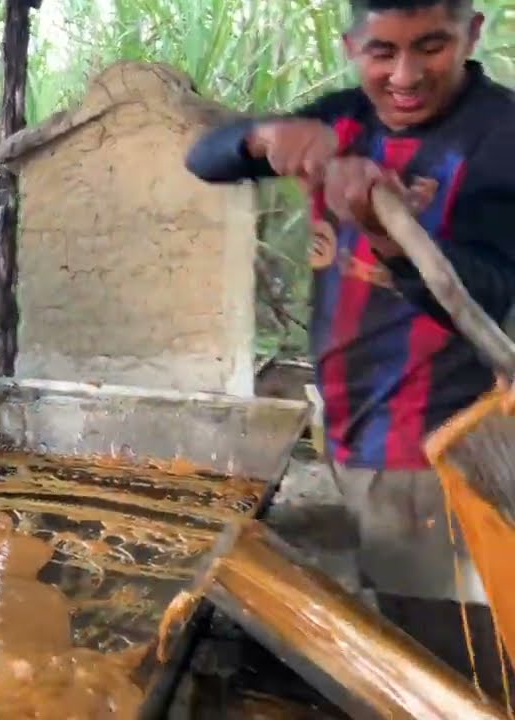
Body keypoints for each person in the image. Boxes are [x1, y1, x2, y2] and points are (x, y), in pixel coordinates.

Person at [186, 0, 514, 692]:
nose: (404, 75)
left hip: (437, 449)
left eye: (431, 46)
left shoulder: (500, 135)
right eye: (381, 52)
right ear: (351, 45)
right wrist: (264, 137)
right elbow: (205, 158)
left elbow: (488, 293)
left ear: (472, 33)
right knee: (396, 612)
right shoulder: (345, 119)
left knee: (449, 656)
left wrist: (391, 232)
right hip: (352, 426)